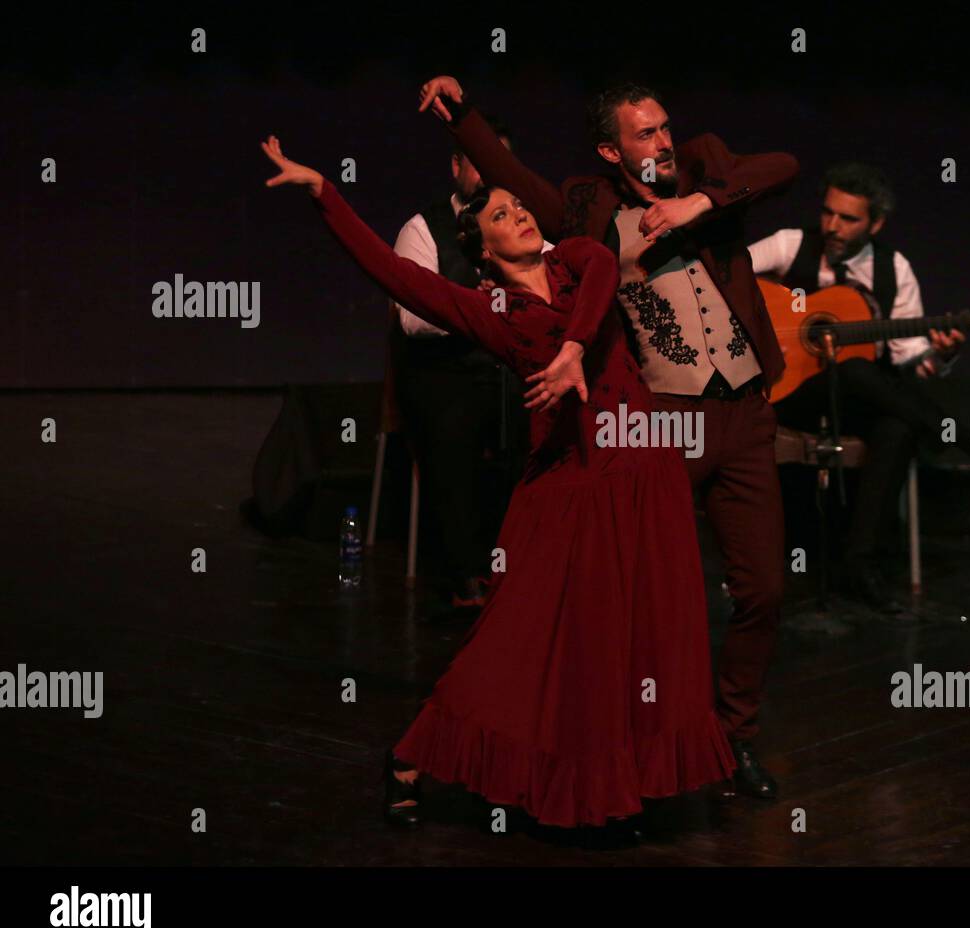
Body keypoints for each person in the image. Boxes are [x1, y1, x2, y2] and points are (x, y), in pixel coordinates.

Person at [261, 135, 737, 830]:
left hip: (642, 470)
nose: (517, 214)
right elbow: (396, 276)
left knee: (643, 633)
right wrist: (325, 197)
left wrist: (574, 349)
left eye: (518, 205)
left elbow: (606, 267)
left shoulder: (575, 262)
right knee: (523, 635)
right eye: (499, 216)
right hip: (567, 486)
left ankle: (632, 777)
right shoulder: (491, 312)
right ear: (482, 251)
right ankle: (415, 757)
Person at [418, 75, 796, 798]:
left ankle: (735, 734)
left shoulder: (704, 167)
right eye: (644, 133)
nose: (662, 141)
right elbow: (511, 178)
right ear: (609, 148)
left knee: (765, 591)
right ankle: (644, 748)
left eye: (663, 127)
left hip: (745, 413)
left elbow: (782, 166)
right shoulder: (587, 208)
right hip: (665, 423)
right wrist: (462, 118)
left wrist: (699, 201)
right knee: (648, 598)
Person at [749, 162, 970, 614]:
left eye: (848, 219)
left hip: (857, 403)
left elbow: (909, 355)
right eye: (828, 213)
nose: (832, 226)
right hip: (790, 396)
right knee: (851, 370)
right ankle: (962, 436)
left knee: (895, 425)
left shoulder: (893, 270)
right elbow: (720, 278)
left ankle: (859, 564)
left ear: (876, 223)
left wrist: (939, 355)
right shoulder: (791, 244)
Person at [389, 115, 532, 609]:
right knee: (455, 427)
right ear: (455, 166)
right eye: (480, 162)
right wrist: (476, 306)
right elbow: (413, 320)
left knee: (546, 422)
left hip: (510, 372)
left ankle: (531, 564)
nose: (492, 174)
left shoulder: (524, 225)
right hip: (446, 372)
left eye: (501, 163)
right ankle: (465, 574)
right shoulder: (423, 229)